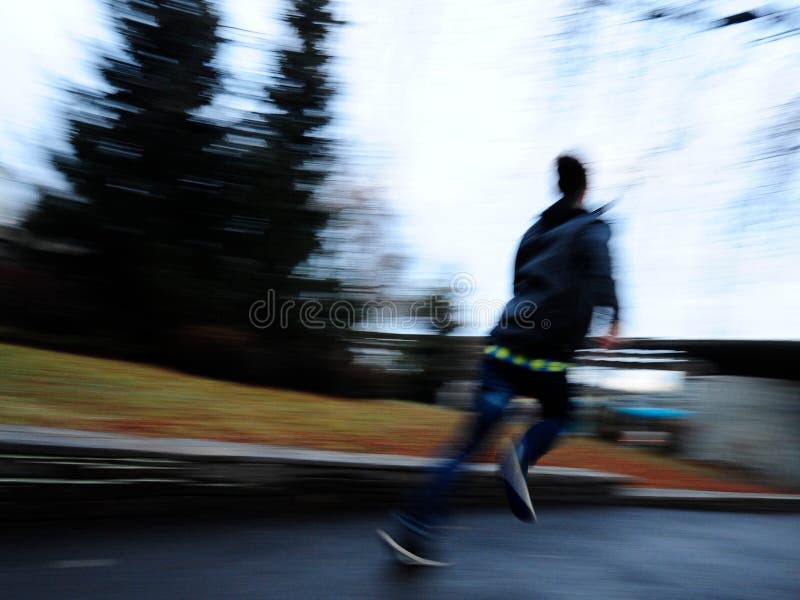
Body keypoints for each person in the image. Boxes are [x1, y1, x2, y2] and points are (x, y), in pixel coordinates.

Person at [378, 154, 620, 566]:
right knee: (561, 417)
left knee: (467, 443)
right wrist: (612, 318)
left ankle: (413, 530)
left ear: (559, 188)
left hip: (503, 347)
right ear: (584, 190)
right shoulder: (592, 228)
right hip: (547, 359)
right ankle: (520, 455)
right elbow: (602, 273)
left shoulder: (533, 232)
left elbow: (519, 282)